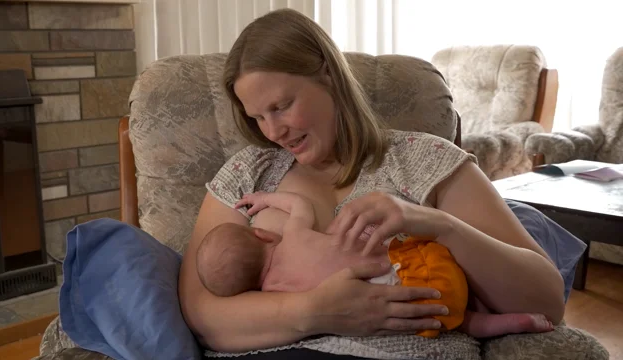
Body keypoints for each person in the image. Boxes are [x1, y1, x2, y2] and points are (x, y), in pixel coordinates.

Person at [177, 8, 565, 359]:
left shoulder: (424, 161)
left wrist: (438, 225)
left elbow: (546, 300)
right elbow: (202, 315)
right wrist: (317, 312)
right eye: (258, 117)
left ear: (328, 75)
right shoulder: (248, 173)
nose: (273, 131)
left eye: (281, 106)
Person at [195, 190, 554, 339]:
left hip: (408, 309)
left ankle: (501, 322)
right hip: (417, 263)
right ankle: (493, 310)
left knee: (458, 321)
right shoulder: (293, 235)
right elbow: (301, 204)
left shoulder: (276, 292)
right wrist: (266, 198)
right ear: (262, 236)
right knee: (448, 279)